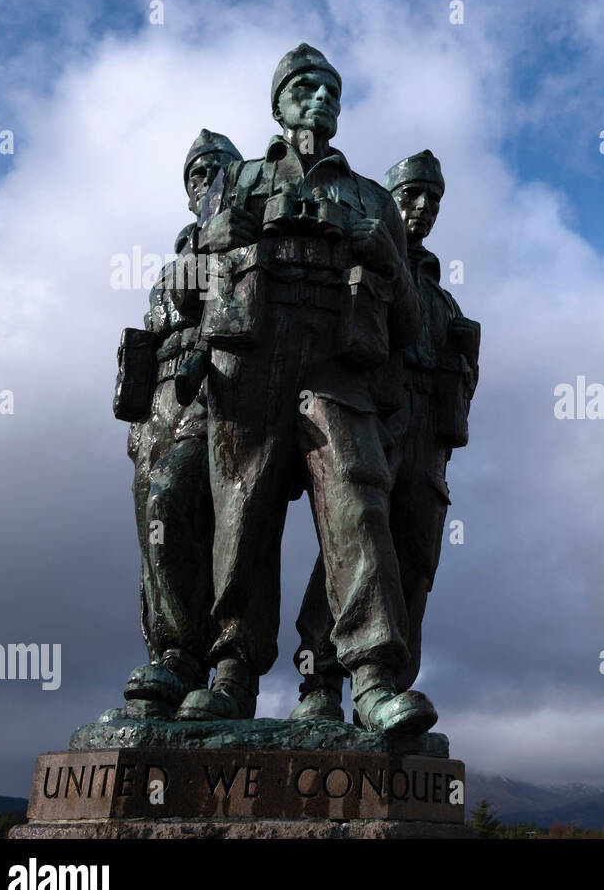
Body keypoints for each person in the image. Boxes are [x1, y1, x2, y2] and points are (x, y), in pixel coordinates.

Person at [175, 44, 434, 735]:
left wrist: (385, 256)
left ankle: (372, 677)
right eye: (306, 86)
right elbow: (184, 291)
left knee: (358, 499)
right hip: (250, 354)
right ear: (279, 101)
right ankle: (233, 668)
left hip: (337, 363)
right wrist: (208, 247)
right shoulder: (237, 180)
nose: (320, 98)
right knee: (242, 509)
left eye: (332, 90)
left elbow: (408, 320)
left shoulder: (372, 198)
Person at [290, 150, 479, 721]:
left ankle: (388, 691)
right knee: (350, 545)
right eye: (412, 195)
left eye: (434, 200)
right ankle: (319, 680)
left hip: (429, 442)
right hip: (375, 416)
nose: (422, 208)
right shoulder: (364, 262)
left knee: (415, 561)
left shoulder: (446, 302)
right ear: (388, 201)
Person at [107, 131, 241, 720]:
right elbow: (160, 317)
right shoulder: (173, 263)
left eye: (217, 171)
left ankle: (190, 652)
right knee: (152, 522)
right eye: (196, 174)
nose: (205, 181)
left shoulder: (237, 248)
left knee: (173, 504)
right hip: (159, 404)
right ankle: (168, 655)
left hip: (213, 393)